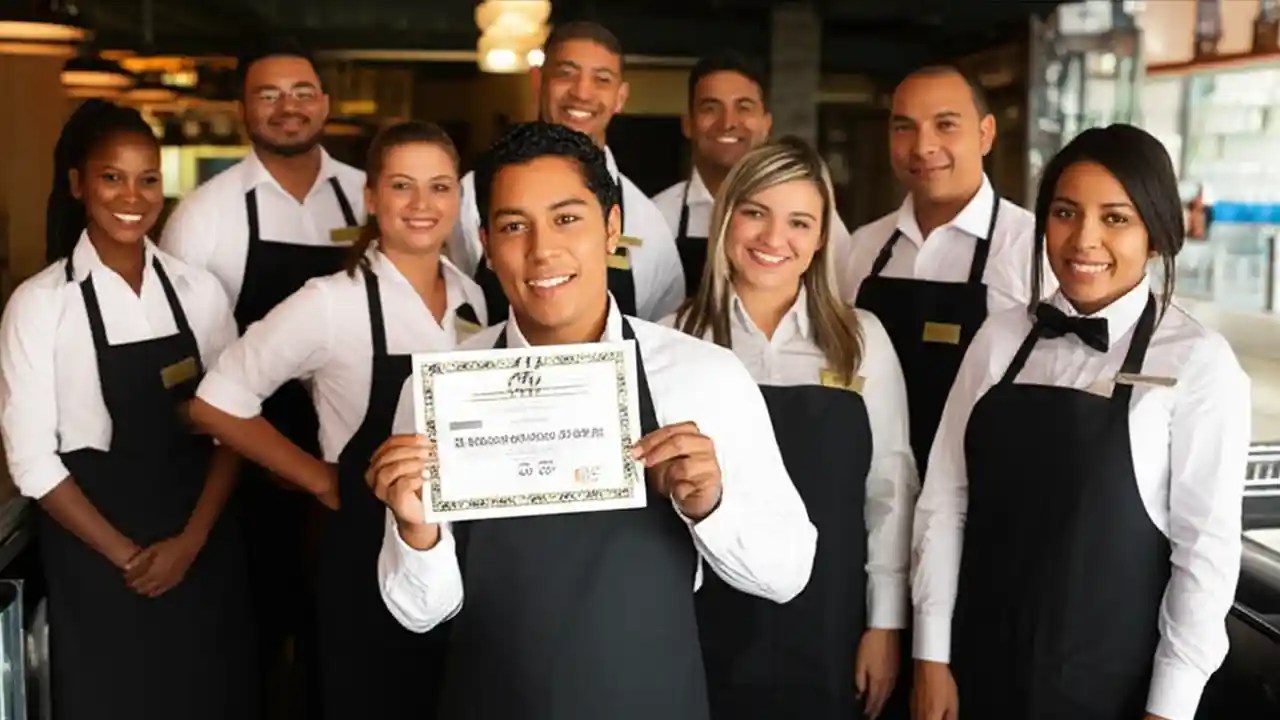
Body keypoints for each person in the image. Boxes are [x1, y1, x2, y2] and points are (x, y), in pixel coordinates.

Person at [366, 121, 817, 720]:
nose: (542, 250)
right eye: (514, 226)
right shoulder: (439, 391)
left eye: (566, 218)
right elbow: (421, 612)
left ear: (611, 228)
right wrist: (414, 527)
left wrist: (712, 504)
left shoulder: (702, 376)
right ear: (486, 245)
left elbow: (787, 574)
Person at [911, 124, 1248, 720]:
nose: (1084, 239)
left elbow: (1204, 555)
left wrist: (1169, 707)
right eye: (1065, 213)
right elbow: (945, 497)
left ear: (1155, 232)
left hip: (1112, 689)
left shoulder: (1197, 362)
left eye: (1115, 218)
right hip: (977, 667)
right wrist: (931, 656)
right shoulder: (1000, 337)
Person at [188, 122, 483, 719]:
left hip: (464, 548)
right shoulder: (330, 301)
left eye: (439, 186)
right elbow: (215, 401)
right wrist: (319, 478)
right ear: (371, 197)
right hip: (365, 547)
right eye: (402, 186)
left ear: (458, 197)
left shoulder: (471, 295)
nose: (422, 204)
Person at [0, 100, 255, 719]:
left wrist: (190, 544)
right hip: (95, 554)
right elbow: (32, 462)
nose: (132, 196)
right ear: (78, 184)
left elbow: (234, 427)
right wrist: (130, 558)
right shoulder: (40, 304)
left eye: (147, 179)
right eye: (112, 177)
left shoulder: (199, 292)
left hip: (200, 538)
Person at [670, 137, 916, 719]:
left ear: (822, 236)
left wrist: (884, 624)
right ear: (726, 219)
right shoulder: (673, 338)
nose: (773, 238)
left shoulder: (862, 340)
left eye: (799, 222)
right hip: (701, 620)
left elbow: (890, 490)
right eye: (755, 212)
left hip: (831, 623)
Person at [158, 37, 365, 707]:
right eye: (268, 95)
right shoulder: (205, 213)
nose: (288, 107)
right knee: (252, 641)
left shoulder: (369, 197)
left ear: (325, 103)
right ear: (242, 109)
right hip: (243, 461)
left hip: (354, 458)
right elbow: (181, 364)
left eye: (302, 92)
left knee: (344, 638)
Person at [841, 64, 1048, 478]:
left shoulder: (1033, 250)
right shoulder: (861, 247)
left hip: (985, 485)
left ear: (985, 134)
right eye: (904, 128)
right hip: (870, 483)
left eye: (945, 125)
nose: (923, 146)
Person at [448, 20, 684, 323]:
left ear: (620, 97)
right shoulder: (469, 196)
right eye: (566, 74)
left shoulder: (647, 222)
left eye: (601, 79)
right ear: (538, 80)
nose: (582, 93)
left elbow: (660, 331)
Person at [653, 50, 854, 298]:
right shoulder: (656, 218)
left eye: (744, 107)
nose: (728, 123)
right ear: (688, 124)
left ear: (767, 123)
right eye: (711, 108)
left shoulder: (819, 220)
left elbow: (838, 301)